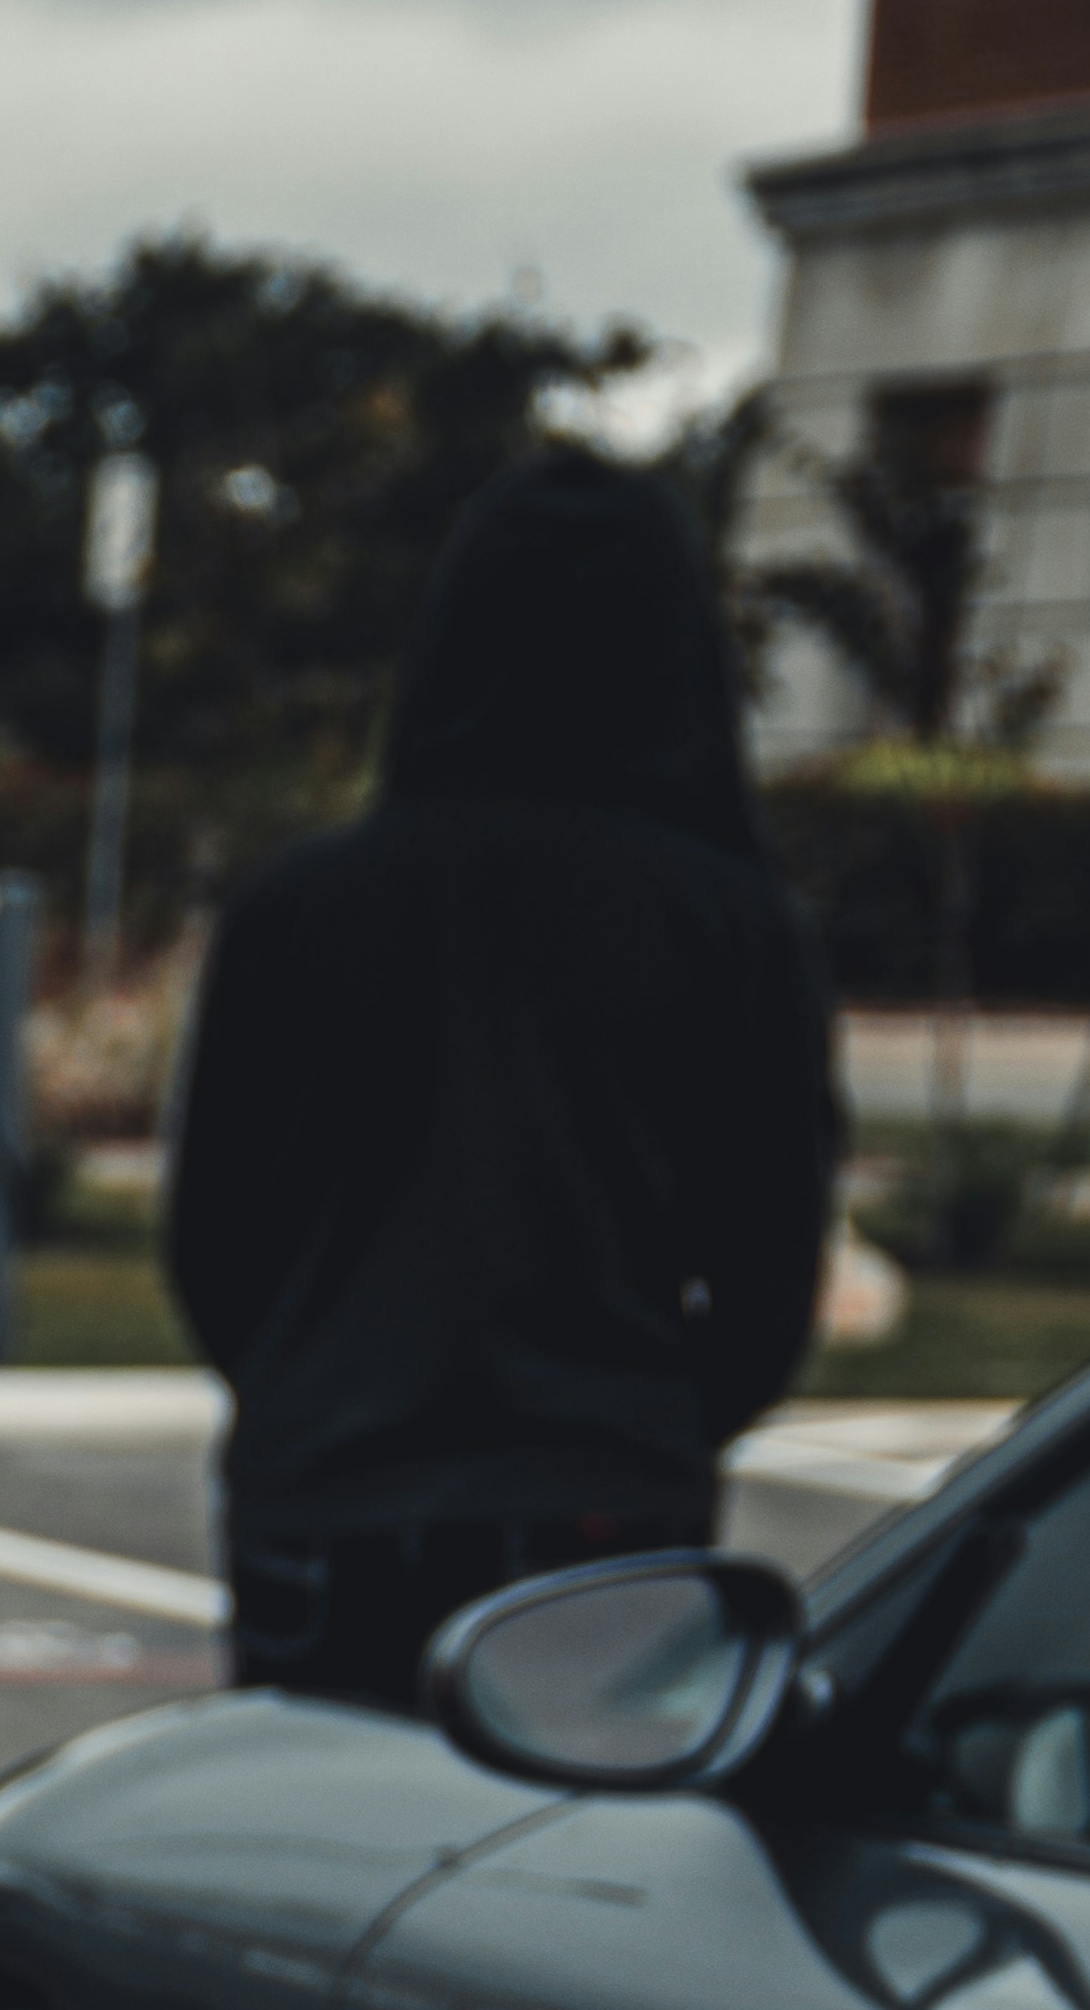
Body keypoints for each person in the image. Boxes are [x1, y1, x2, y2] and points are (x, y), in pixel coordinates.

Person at [158, 449, 846, 1710]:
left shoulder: (294, 909)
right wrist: (657, 1421)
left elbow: (211, 1237)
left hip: (324, 1494)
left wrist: (305, 1389)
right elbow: (765, 1271)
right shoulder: (727, 925)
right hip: (596, 1498)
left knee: (318, 1867)